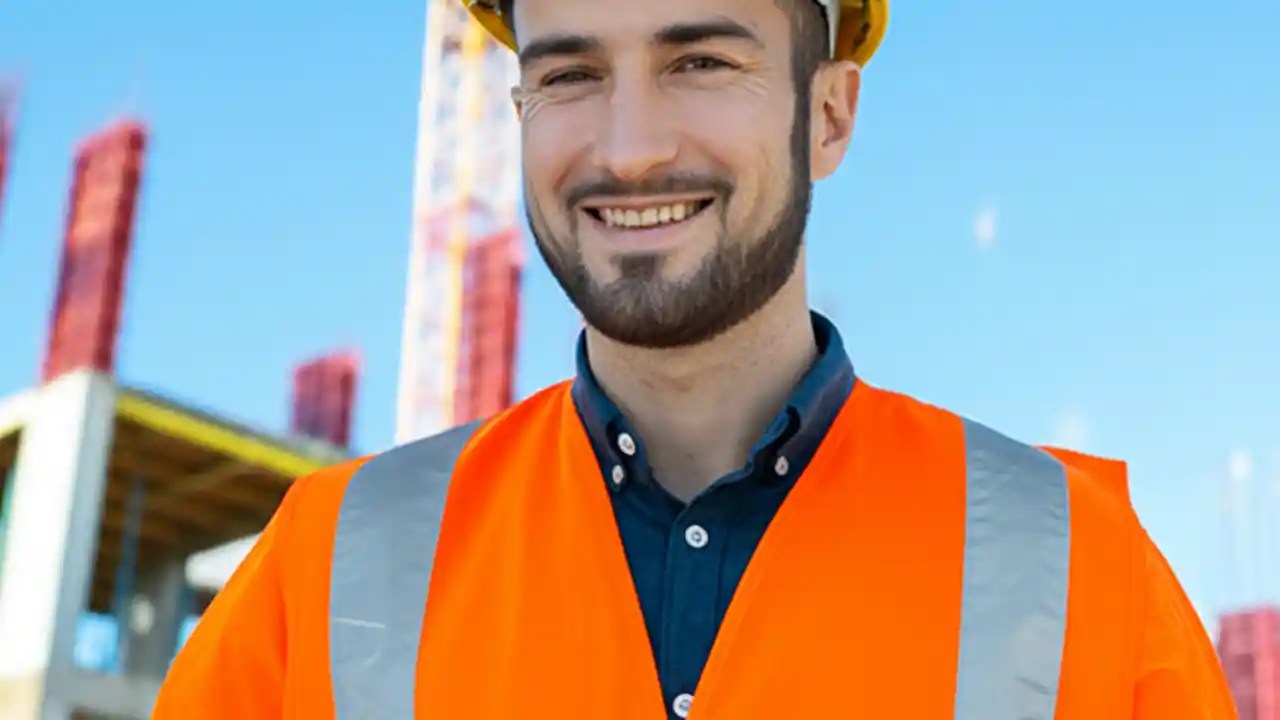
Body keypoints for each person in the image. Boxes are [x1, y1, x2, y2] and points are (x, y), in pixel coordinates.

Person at [152, 0, 1238, 717]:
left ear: (828, 115)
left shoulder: (1076, 574)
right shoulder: (324, 575)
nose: (629, 150)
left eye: (700, 61)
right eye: (570, 75)